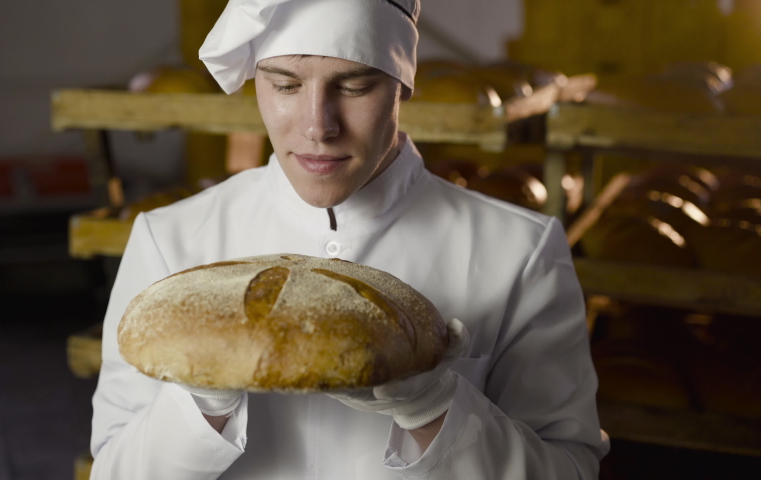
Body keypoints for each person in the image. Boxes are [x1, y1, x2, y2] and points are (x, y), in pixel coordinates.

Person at [89, 0, 610, 478]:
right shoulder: (170, 239)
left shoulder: (520, 251)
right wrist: (200, 403)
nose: (318, 126)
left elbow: (571, 470)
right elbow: (113, 470)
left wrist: (436, 409)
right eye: (286, 85)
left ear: (403, 83)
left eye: (355, 86)